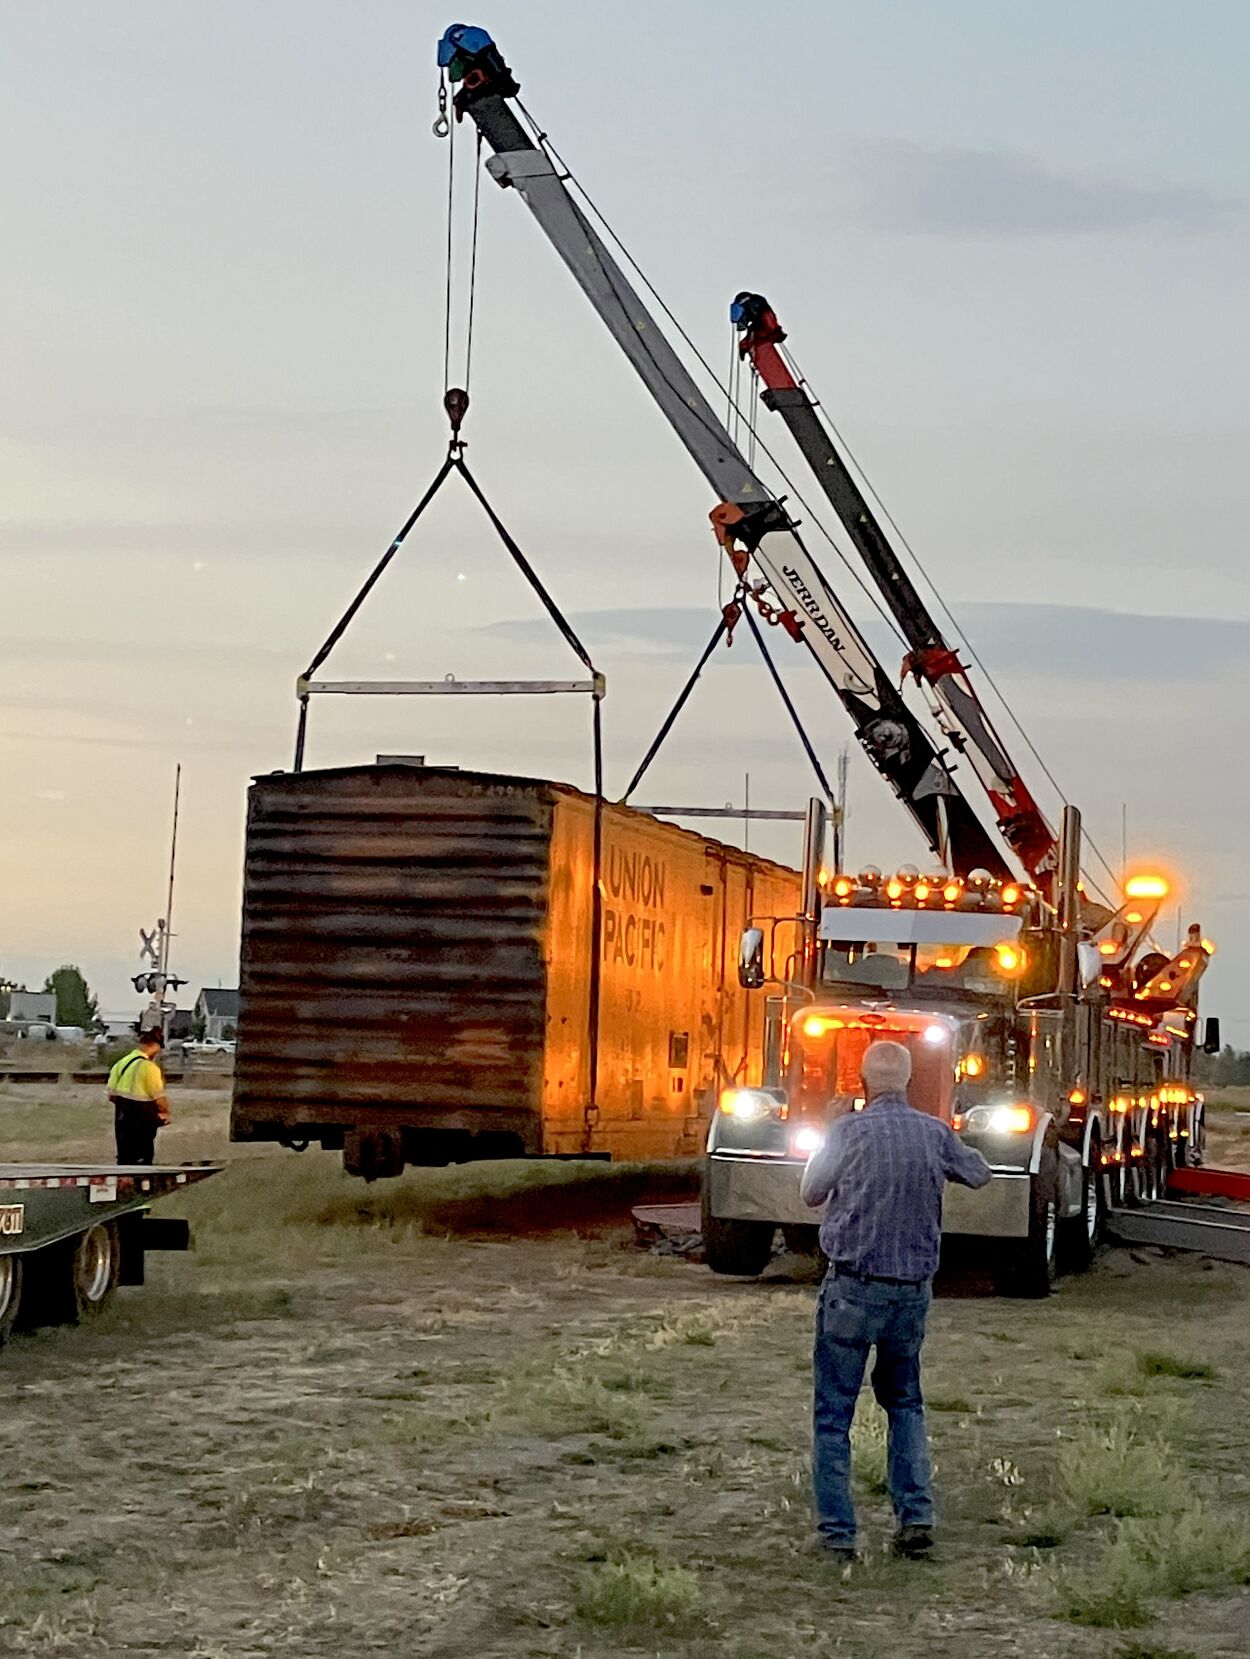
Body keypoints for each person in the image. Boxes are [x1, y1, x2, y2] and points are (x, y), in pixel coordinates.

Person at [800, 1039, 992, 1562]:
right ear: (908, 1082)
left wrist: (827, 1127)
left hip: (852, 1288)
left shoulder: (846, 1132)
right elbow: (979, 1173)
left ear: (862, 1081)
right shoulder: (933, 1132)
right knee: (904, 1403)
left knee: (833, 1414)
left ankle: (839, 1534)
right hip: (911, 1293)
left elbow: (811, 1192)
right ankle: (916, 1517)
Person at [107, 1029, 171, 1165]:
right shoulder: (150, 1068)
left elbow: (112, 1095)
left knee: (124, 1156)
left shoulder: (121, 1063)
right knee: (143, 1156)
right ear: (154, 1045)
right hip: (143, 1118)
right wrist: (165, 1113)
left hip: (122, 1116)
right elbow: (158, 1097)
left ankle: (124, 1182)